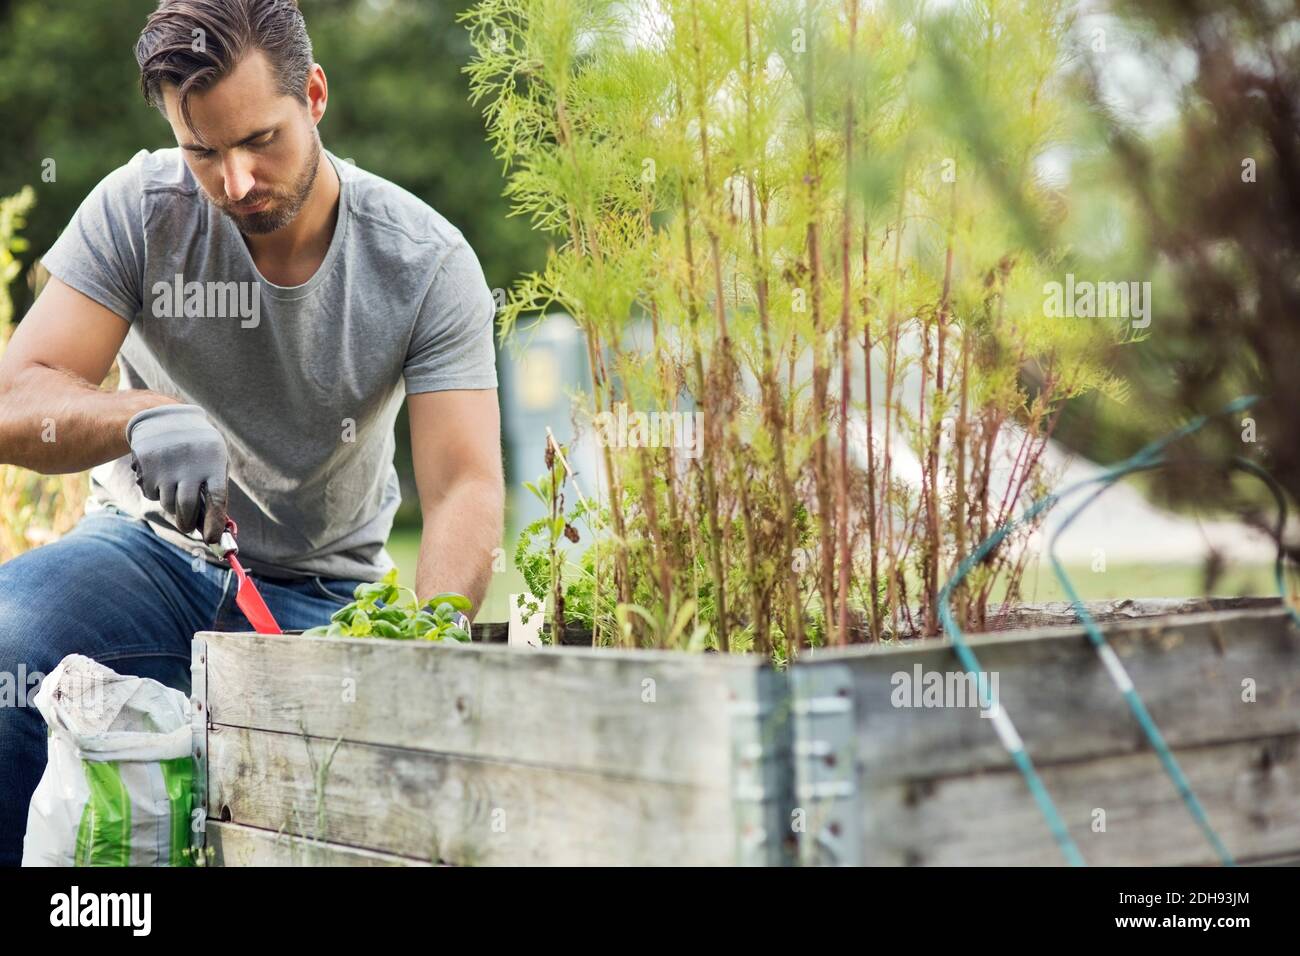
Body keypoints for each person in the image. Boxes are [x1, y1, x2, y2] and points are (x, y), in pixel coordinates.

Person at [0, 0, 504, 865]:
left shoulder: (426, 262)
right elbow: (16, 397)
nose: (234, 182)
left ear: (314, 96)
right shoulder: (139, 209)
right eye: (203, 151)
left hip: (323, 592)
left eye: (260, 140)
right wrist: (144, 415)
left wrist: (424, 651)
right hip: (145, 562)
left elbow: (464, 484)